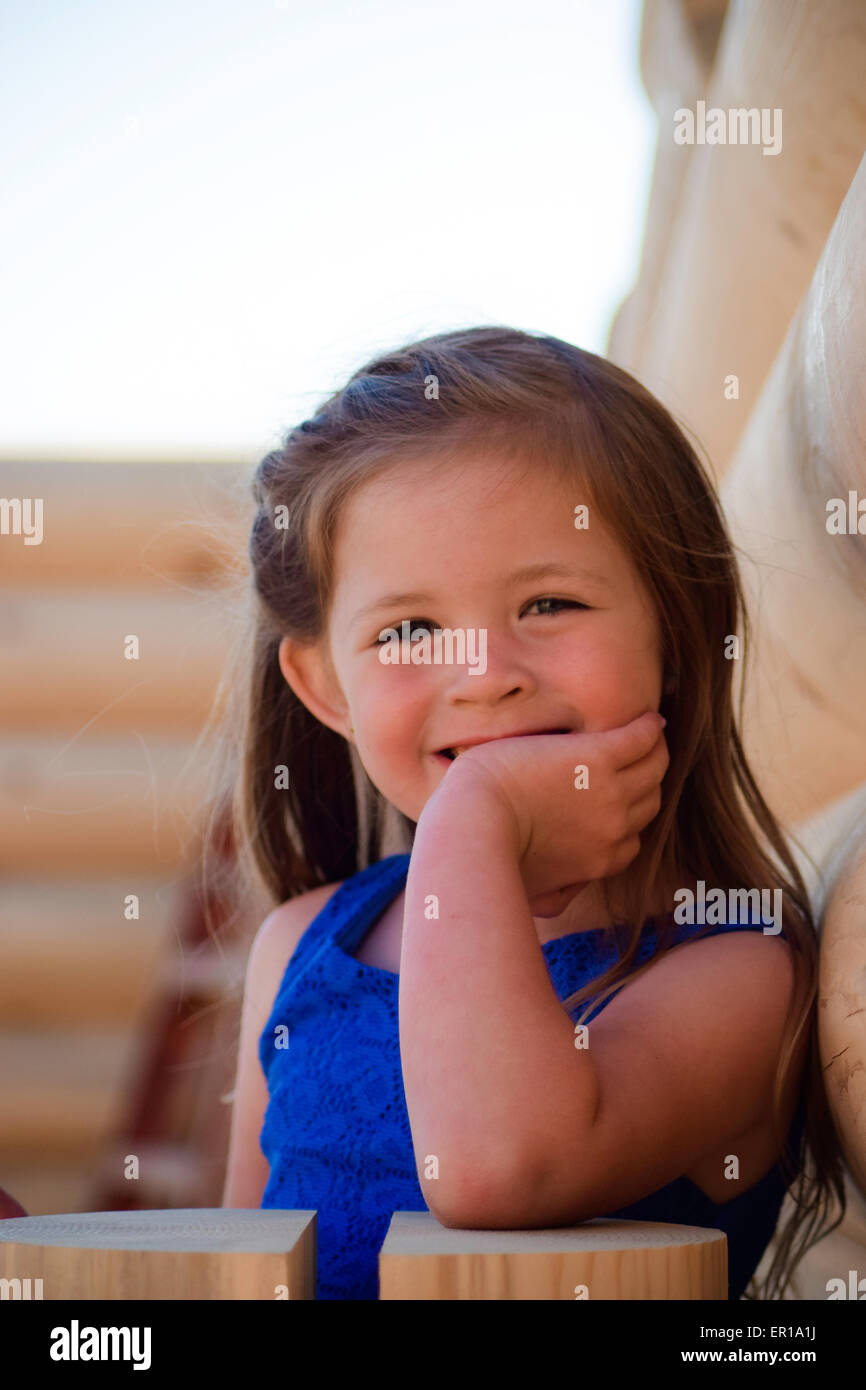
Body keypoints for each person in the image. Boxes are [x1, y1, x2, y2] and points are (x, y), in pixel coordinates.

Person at [217, 326, 845, 1300]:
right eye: (409, 629)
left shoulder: (732, 969)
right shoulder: (299, 946)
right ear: (323, 683)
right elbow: (242, 1278)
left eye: (548, 603)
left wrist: (474, 817)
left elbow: (497, 1169)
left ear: (675, 631)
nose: (485, 679)